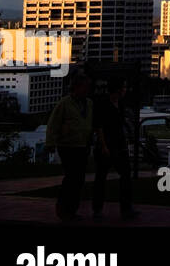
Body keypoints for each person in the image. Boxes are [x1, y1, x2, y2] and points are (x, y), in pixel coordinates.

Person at [46, 71, 93, 222]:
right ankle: (63, 208)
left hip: (82, 145)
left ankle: (72, 209)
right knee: (72, 177)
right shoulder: (64, 104)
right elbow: (53, 124)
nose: (87, 90)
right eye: (84, 87)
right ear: (76, 87)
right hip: (67, 145)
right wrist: (51, 142)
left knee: (78, 179)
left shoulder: (89, 104)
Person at [92, 77, 138, 220]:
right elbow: (98, 127)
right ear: (118, 90)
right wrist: (104, 146)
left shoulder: (121, 104)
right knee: (101, 177)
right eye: (123, 88)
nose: (125, 90)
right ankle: (97, 209)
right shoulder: (103, 104)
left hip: (120, 144)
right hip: (107, 145)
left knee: (125, 175)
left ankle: (126, 207)